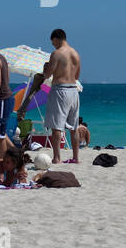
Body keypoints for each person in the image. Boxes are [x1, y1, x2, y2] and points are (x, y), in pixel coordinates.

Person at [20, 30, 82, 164]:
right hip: (74, 90)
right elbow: (76, 77)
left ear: (57, 38)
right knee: (73, 126)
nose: (52, 44)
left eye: (52, 41)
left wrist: (45, 68)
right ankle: (76, 157)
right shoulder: (76, 54)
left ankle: (57, 157)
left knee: (56, 126)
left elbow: (47, 75)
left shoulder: (57, 54)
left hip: (60, 90)